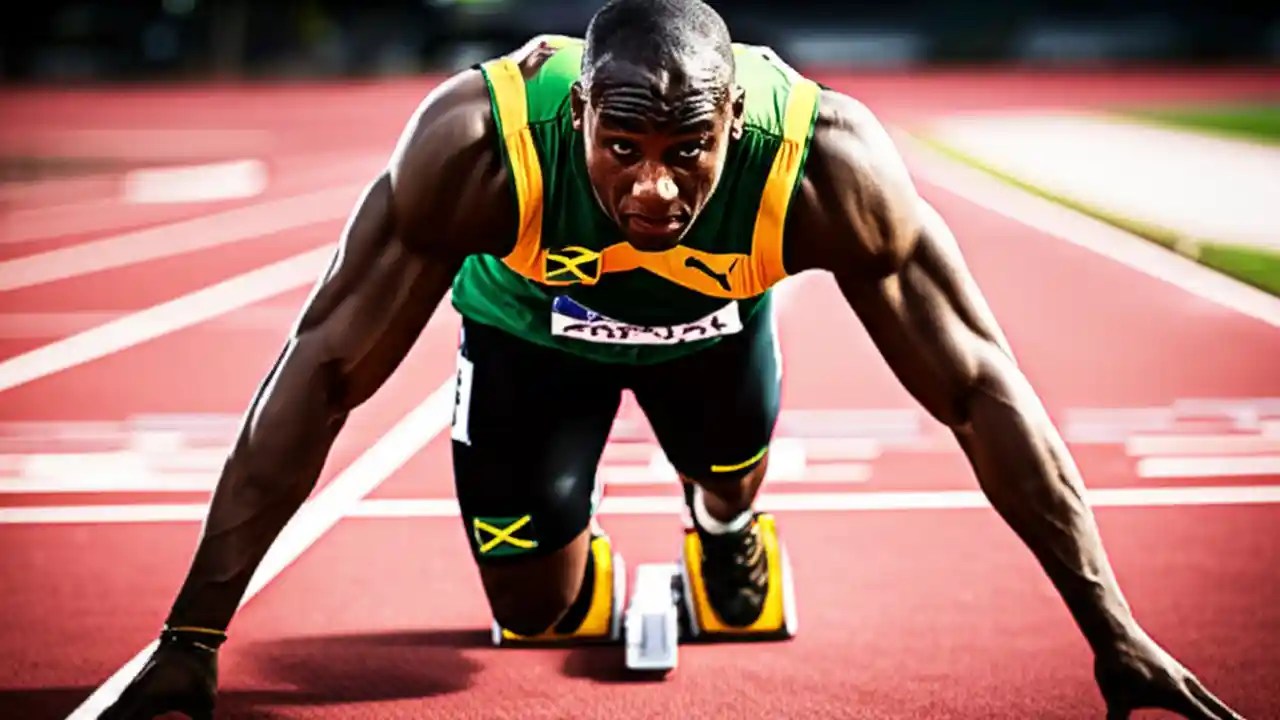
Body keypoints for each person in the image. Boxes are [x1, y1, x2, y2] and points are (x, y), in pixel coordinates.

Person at [99, 1, 1243, 718]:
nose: (653, 189)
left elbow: (977, 385)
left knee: (726, 474)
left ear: (736, 117)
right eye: (623, 148)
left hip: (713, 333)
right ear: (579, 107)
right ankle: (578, 563)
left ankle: (725, 527)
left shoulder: (825, 162)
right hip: (526, 337)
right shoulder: (474, 145)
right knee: (534, 619)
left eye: (690, 153)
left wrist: (1113, 629)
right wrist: (193, 633)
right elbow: (322, 369)